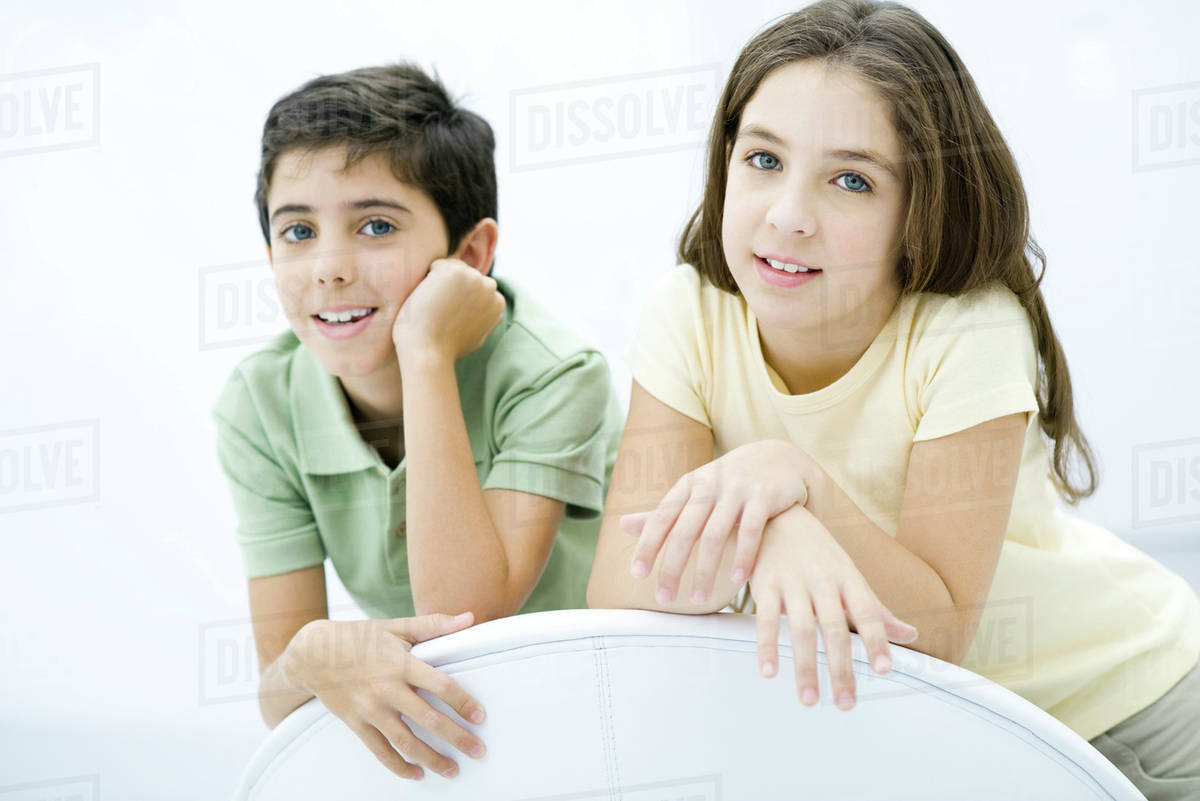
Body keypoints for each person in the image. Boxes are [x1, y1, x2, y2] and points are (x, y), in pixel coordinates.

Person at [585, 2, 1200, 797]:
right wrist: (774, 528)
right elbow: (622, 588)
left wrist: (787, 476)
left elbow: (937, 634)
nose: (788, 215)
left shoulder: (967, 330)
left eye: (851, 180)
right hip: (935, 730)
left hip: (1113, 707)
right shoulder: (690, 311)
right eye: (764, 160)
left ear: (921, 206)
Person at [212, 62, 623, 783]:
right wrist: (312, 650)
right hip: (462, 729)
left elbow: (467, 615)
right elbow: (282, 693)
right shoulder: (259, 405)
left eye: (375, 225)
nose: (329, 268)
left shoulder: (556, 373)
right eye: (299, 230)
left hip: (605, 700)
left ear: (469, 256)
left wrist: (426, 355)